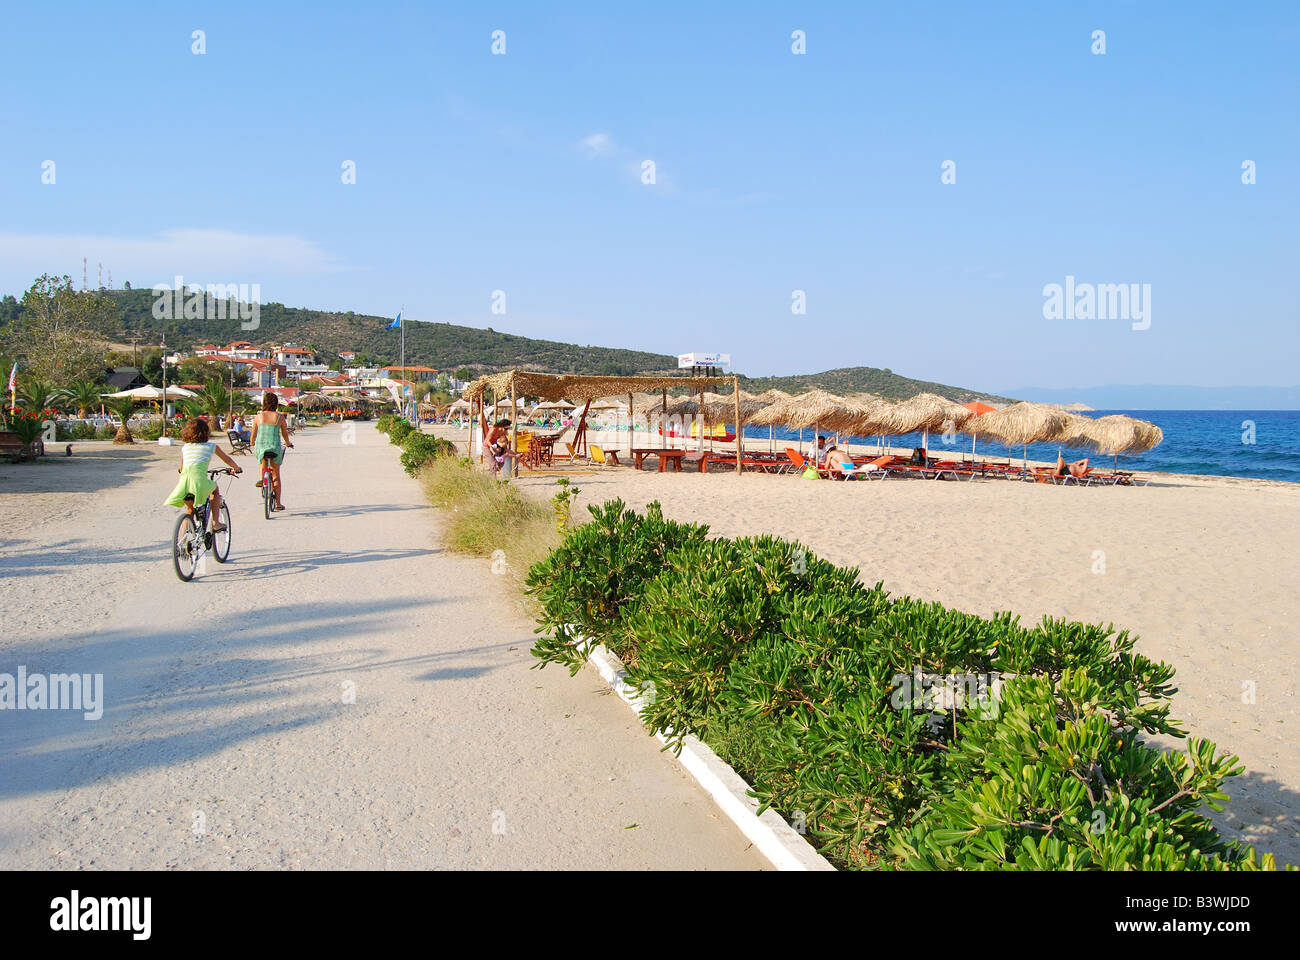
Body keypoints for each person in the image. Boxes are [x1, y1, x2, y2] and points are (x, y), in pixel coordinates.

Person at [164, 417, 241, 531]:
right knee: (214, 490)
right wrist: (236, 468)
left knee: (190, 510)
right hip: (198, 482)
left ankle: (182, 542)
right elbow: (227, 459)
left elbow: (181, 468)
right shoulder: (211, 446)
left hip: (183, 484)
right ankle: (216, 523)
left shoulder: (185, 447)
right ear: (206, 432)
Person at [251, 393, 294, 510]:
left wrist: (251, 442)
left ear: (264, 403)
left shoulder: (258, 417)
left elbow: (253, 433)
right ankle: (278, 503)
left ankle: (261, 479)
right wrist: (288, 443)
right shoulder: (279, 417)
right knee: (276, 474)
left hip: (260, 446)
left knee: (262, 461)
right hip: (274, 446)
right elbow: (284, 433)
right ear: (276, 404)